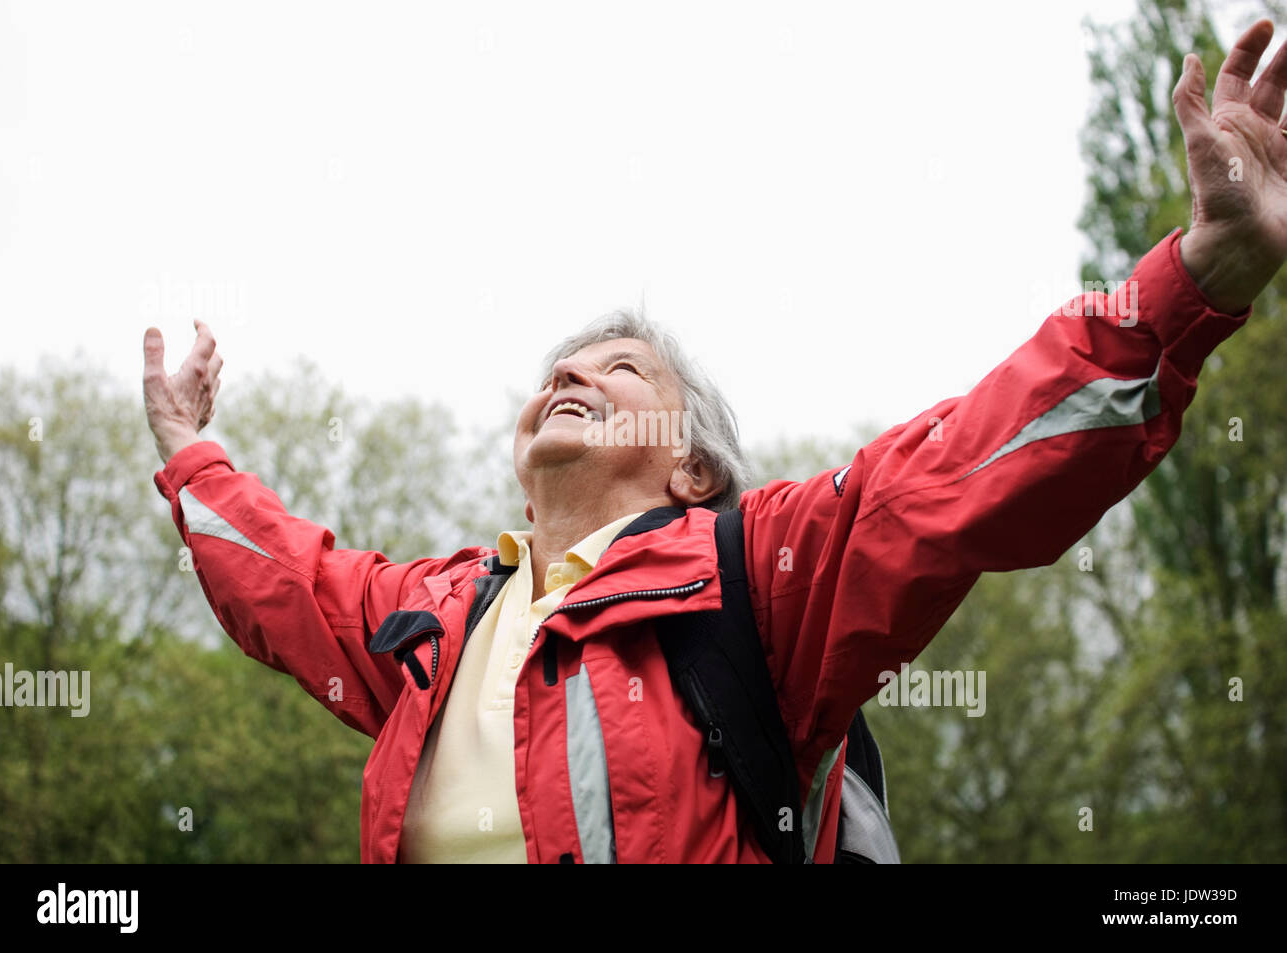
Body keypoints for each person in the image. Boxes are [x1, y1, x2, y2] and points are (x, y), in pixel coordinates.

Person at [143, 21, 1287, 863]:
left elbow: (967, 462)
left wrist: (1197, 278)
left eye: (620, 368)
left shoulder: (760, 572)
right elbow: (287, 577)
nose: (570, 375)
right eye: (556, 370)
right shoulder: (431, 621)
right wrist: (189, 446)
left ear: (690, 465)